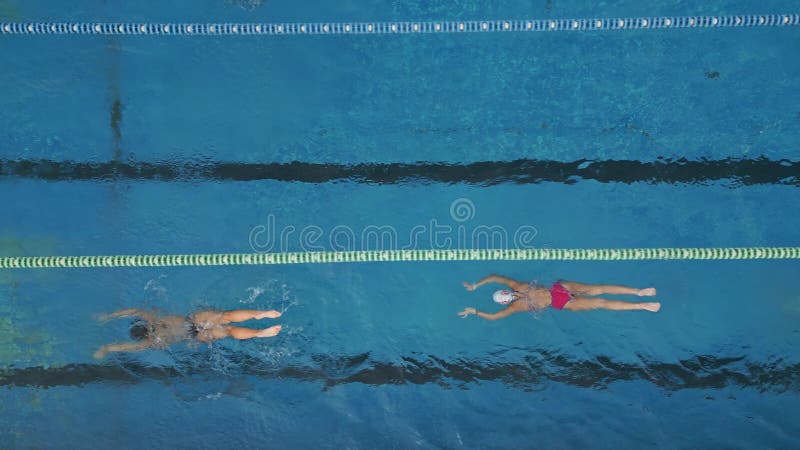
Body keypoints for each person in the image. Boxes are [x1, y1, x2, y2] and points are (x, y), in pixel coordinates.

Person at [93, 308, 282, 359]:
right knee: (226, 317)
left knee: (229, 331)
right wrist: (109, 316)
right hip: (192, 320)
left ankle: (259, 333)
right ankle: (260, 314)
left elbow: (128, 347)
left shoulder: (150, 342)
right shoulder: (152, 318)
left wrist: (107, 348)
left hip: (194, 336)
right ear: (142, 323)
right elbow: (134, 311)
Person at [458, 274, 660, 320]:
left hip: (560, 300)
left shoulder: (515, 307)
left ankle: (641, 303)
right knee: (599, 290)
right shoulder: (516, 287)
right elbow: (495, 277)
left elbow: (495, 316)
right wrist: (476, 285)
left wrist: (475, 311)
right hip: (559, 289)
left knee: (601, 301)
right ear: (506, 293)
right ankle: (639, 293)